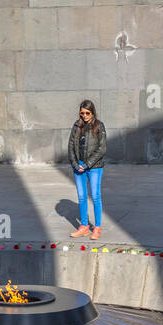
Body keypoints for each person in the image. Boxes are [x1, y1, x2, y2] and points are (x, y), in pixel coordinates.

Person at [67, 99, 106, 240]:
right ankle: (84, 227)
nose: (84, 115)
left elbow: (102, 148)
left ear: (92, 112)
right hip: (79, 166)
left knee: (95, 196)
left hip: (94, 167)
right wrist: (75, 164)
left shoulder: (99, 126)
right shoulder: (77, 126)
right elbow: (71, 146)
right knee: (82, 197)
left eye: (87, 113)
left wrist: (87, 164)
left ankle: (97, 227)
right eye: (82, 113)